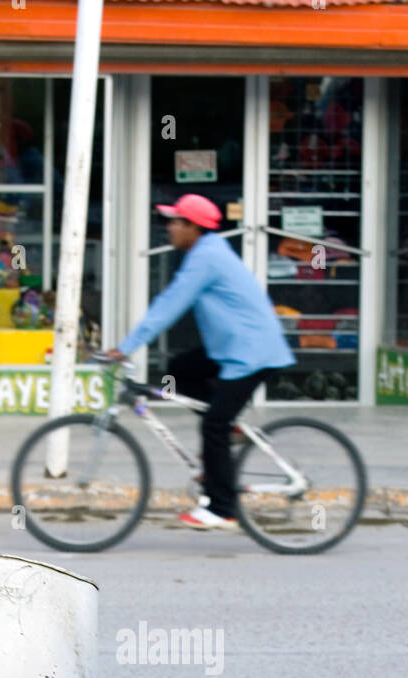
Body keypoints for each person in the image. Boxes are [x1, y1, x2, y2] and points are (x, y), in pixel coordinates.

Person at [105, 194, 295, 530]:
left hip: (251, 353)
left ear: (193, 227)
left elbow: (168, 305)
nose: (169, 227)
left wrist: (125, 348)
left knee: (212, 427)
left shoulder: (205, 257)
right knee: (180, 369)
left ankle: (223, 509)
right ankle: (229, 428)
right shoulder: (205, 252)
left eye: (176, 222)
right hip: (232, 349)